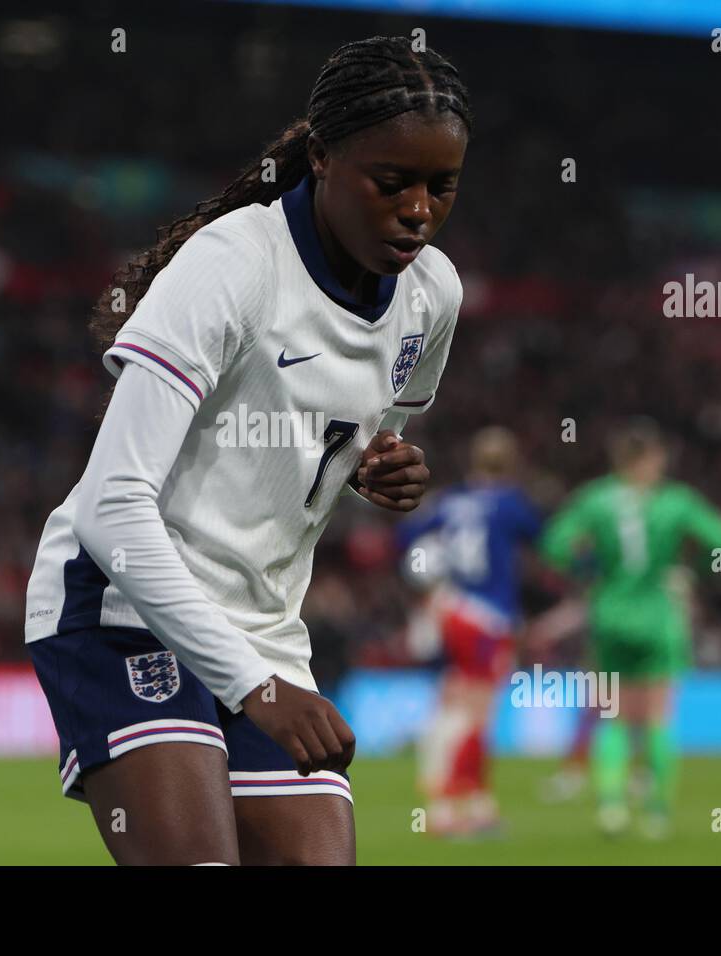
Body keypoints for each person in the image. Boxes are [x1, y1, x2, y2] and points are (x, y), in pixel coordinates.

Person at [24, 36, 473, 865]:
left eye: (440, 187)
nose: (418, 209)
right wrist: (255, 688)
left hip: (262, 621)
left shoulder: (431, 293)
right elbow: (108, 506)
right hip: (123, 607)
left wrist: (382, 465)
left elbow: (379, 427)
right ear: (323, 157)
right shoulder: (233, 267)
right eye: (392, 182)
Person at [539, 419, 721, 838]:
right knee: (657, 717)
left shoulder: (596, 499)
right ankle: (655, 813)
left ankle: (611, 807)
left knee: (612, 717)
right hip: (659, 616)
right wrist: (692, 569)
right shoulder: (675, 502)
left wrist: (588, 569)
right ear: (652, 459)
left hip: (610, 614)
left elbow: (555, 545)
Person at [396, 427, 541, 836]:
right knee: (475, 714)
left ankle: (474, 802)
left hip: (452, 611)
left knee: (452, 703)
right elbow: (544, 537)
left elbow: (407, 539)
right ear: (510, 464)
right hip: (488, 618)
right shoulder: (509, 503)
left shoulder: (448, 501)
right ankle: (449, 808)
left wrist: (430, 593)